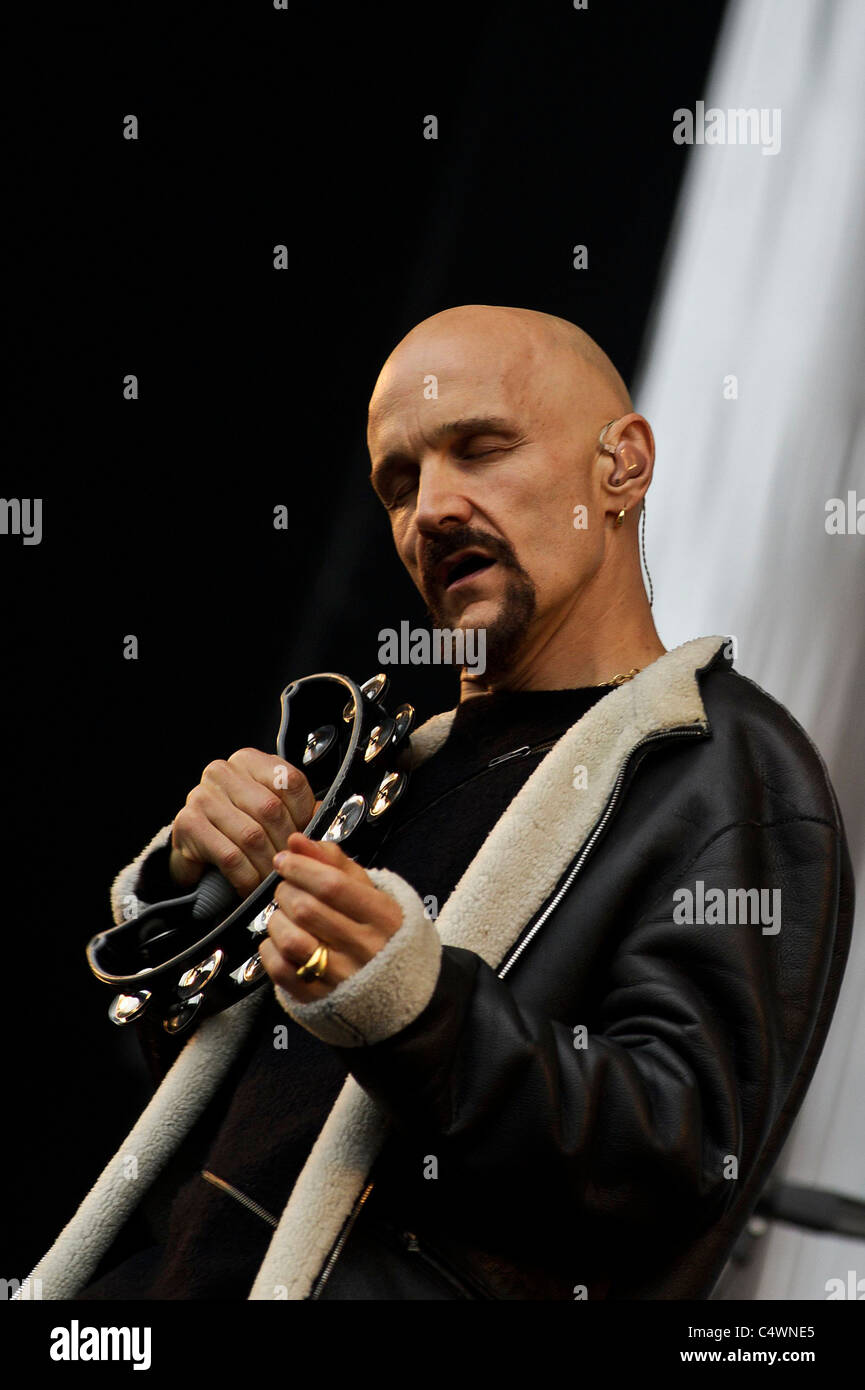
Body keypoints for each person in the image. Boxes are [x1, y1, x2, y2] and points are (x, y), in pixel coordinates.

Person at [20, 306, 854, 1300]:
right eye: (399, 483)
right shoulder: (384, 769)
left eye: (480, 448)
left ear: (621, 467)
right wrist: (202, 891)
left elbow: (677, 1160)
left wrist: (414, 1006)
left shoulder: (725, 764)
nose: (433, 509)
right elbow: (225, 1094)